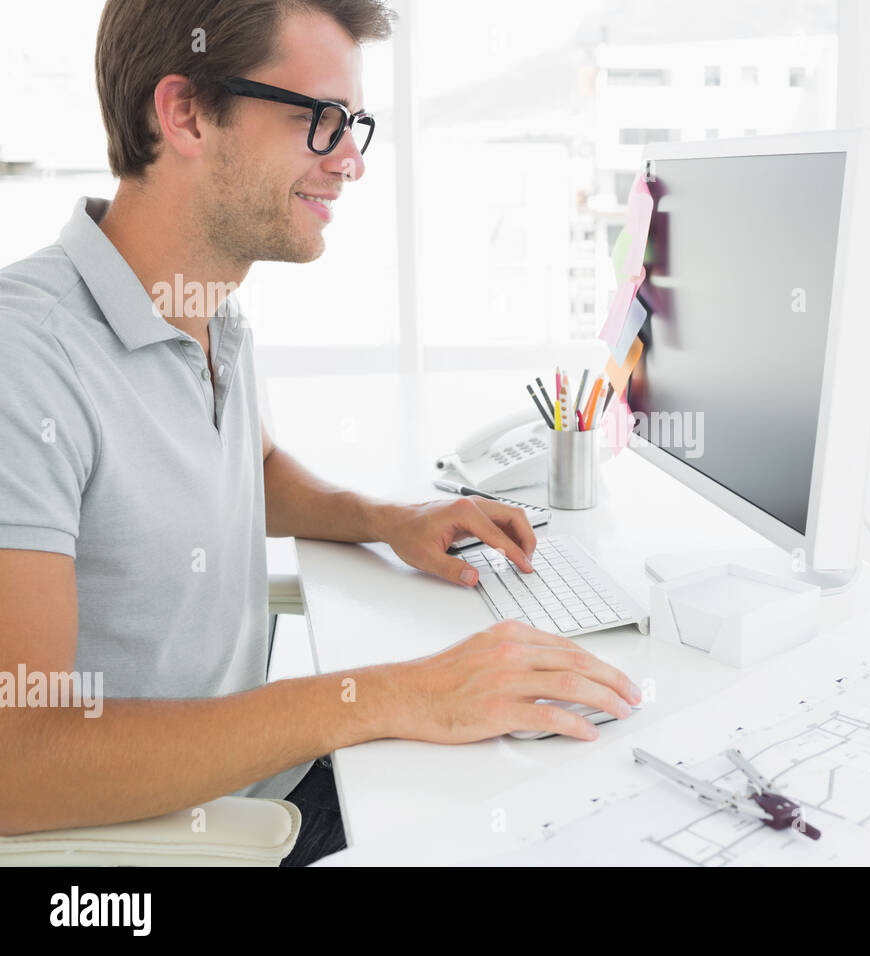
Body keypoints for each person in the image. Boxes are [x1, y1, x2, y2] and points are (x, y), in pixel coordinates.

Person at [0, 0, 639, 867]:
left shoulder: (208, 308)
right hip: (184, 842)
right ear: (184, 111)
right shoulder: (26, 358)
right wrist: (379, 695)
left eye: (355, 124)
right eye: (322, 121)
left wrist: (388, 519)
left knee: (574, 780)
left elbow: (247, 465)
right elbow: (18, 762)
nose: (350, 162)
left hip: (259, 776)